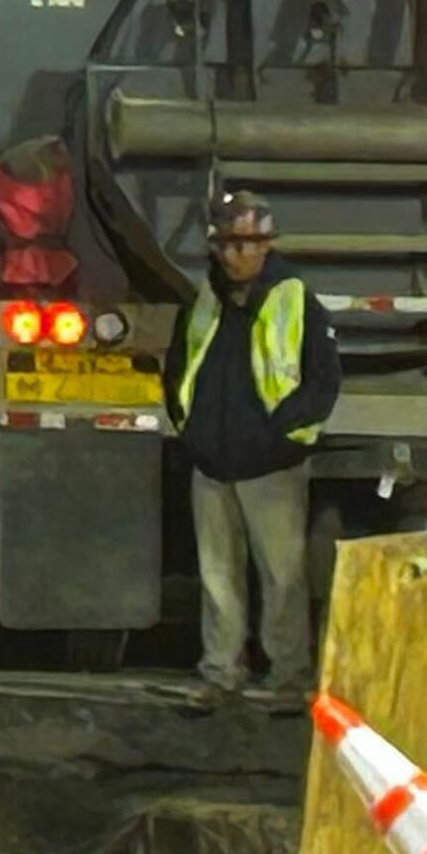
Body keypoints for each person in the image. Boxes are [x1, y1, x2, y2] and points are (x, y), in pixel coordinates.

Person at [169, 192, 340, 701]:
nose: (235, 254)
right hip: (213, 463)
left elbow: (323, 381)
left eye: (247, 244)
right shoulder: (205, 299)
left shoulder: (295, 299)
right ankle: (220, 672)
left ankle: (288, 677)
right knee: (217, 578)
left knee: (282, 577)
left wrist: (280, 438)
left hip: (270, 467)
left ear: (267, 246)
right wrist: (191, 432)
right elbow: (178, 367)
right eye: (227, 243)